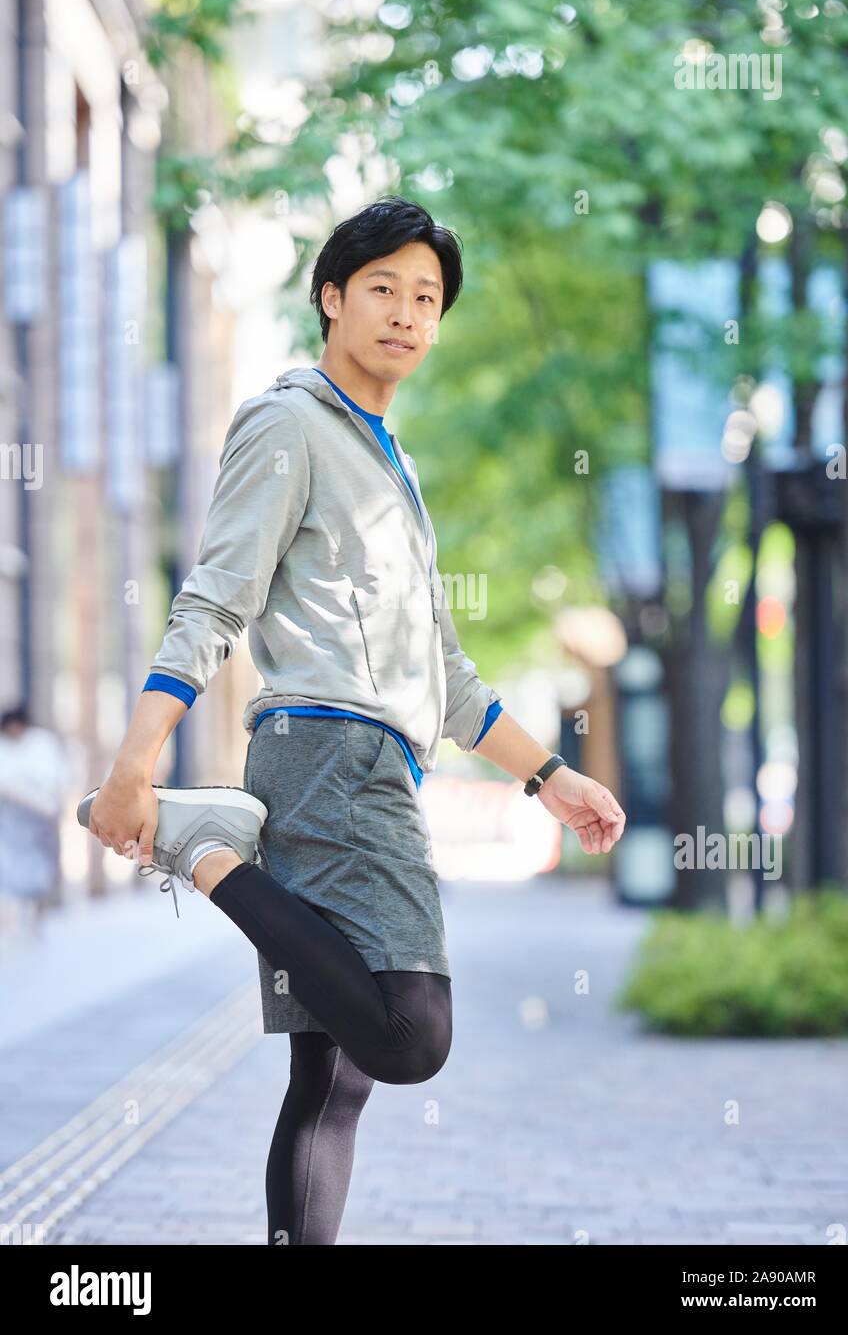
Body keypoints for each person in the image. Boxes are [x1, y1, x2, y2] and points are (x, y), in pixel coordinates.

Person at [78, 195, 626, 1245]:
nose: (406, 315)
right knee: (410, 1034)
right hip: (327, 754)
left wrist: (548, 775)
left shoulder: (391, 460)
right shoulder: (289, 424)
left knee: (331, 1074)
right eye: (382, 289)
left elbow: (446, 672)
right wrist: (134, 764)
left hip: (374, 756)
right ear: (330, 297)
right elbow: (214, 599)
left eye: (426, 298)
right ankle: (200, 851)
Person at [0, 706, 68, 936]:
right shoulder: (4, 747)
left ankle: (36, 910)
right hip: (9, 822)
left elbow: (54, 780)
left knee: (39, 868)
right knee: (8, 867)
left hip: (39, 822)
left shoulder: (41, 744)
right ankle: (14, 913)